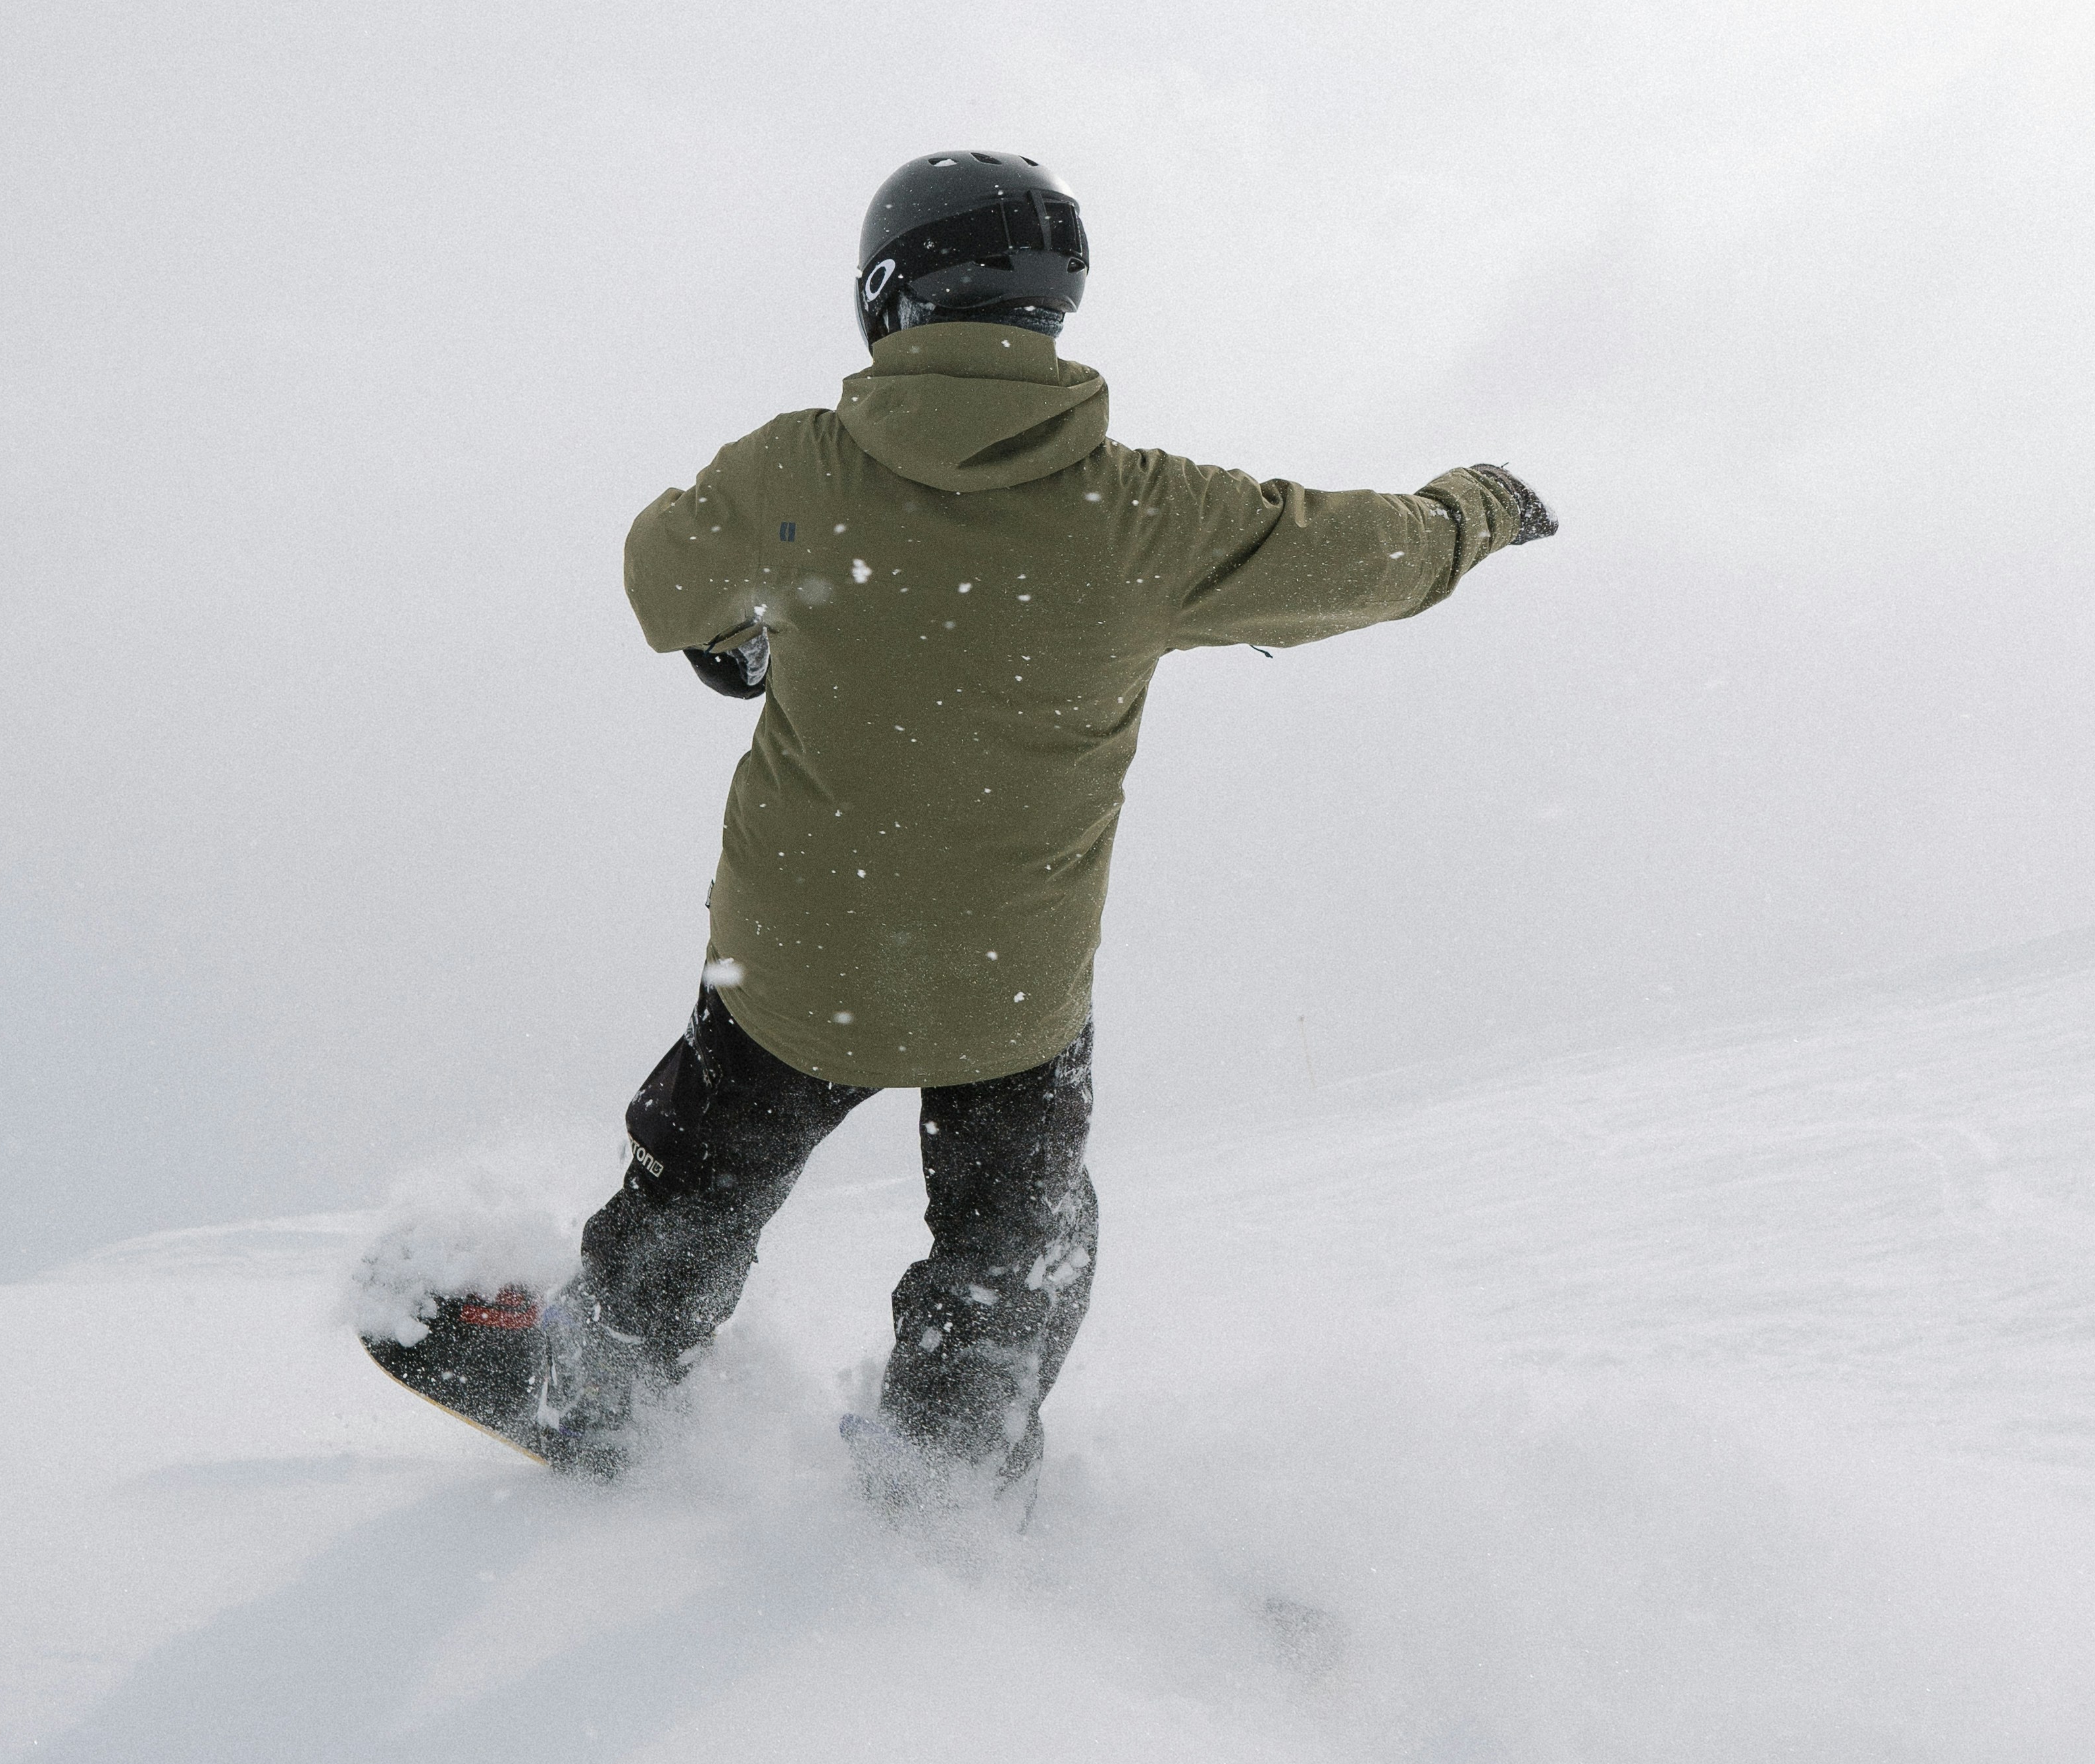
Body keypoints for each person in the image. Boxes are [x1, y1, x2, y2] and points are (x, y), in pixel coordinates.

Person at [519, 147, 1559, 1502]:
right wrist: (1473, 507)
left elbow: (662, 584)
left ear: (885, 296)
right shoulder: (1147, 516)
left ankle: (602, 1376)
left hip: (794, 970)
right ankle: (947, 1468)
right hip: (1007, 990)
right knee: (1010, 1246)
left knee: (702, 1181)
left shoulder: (799, 472)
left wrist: (738, 635)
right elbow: (1378, 560)